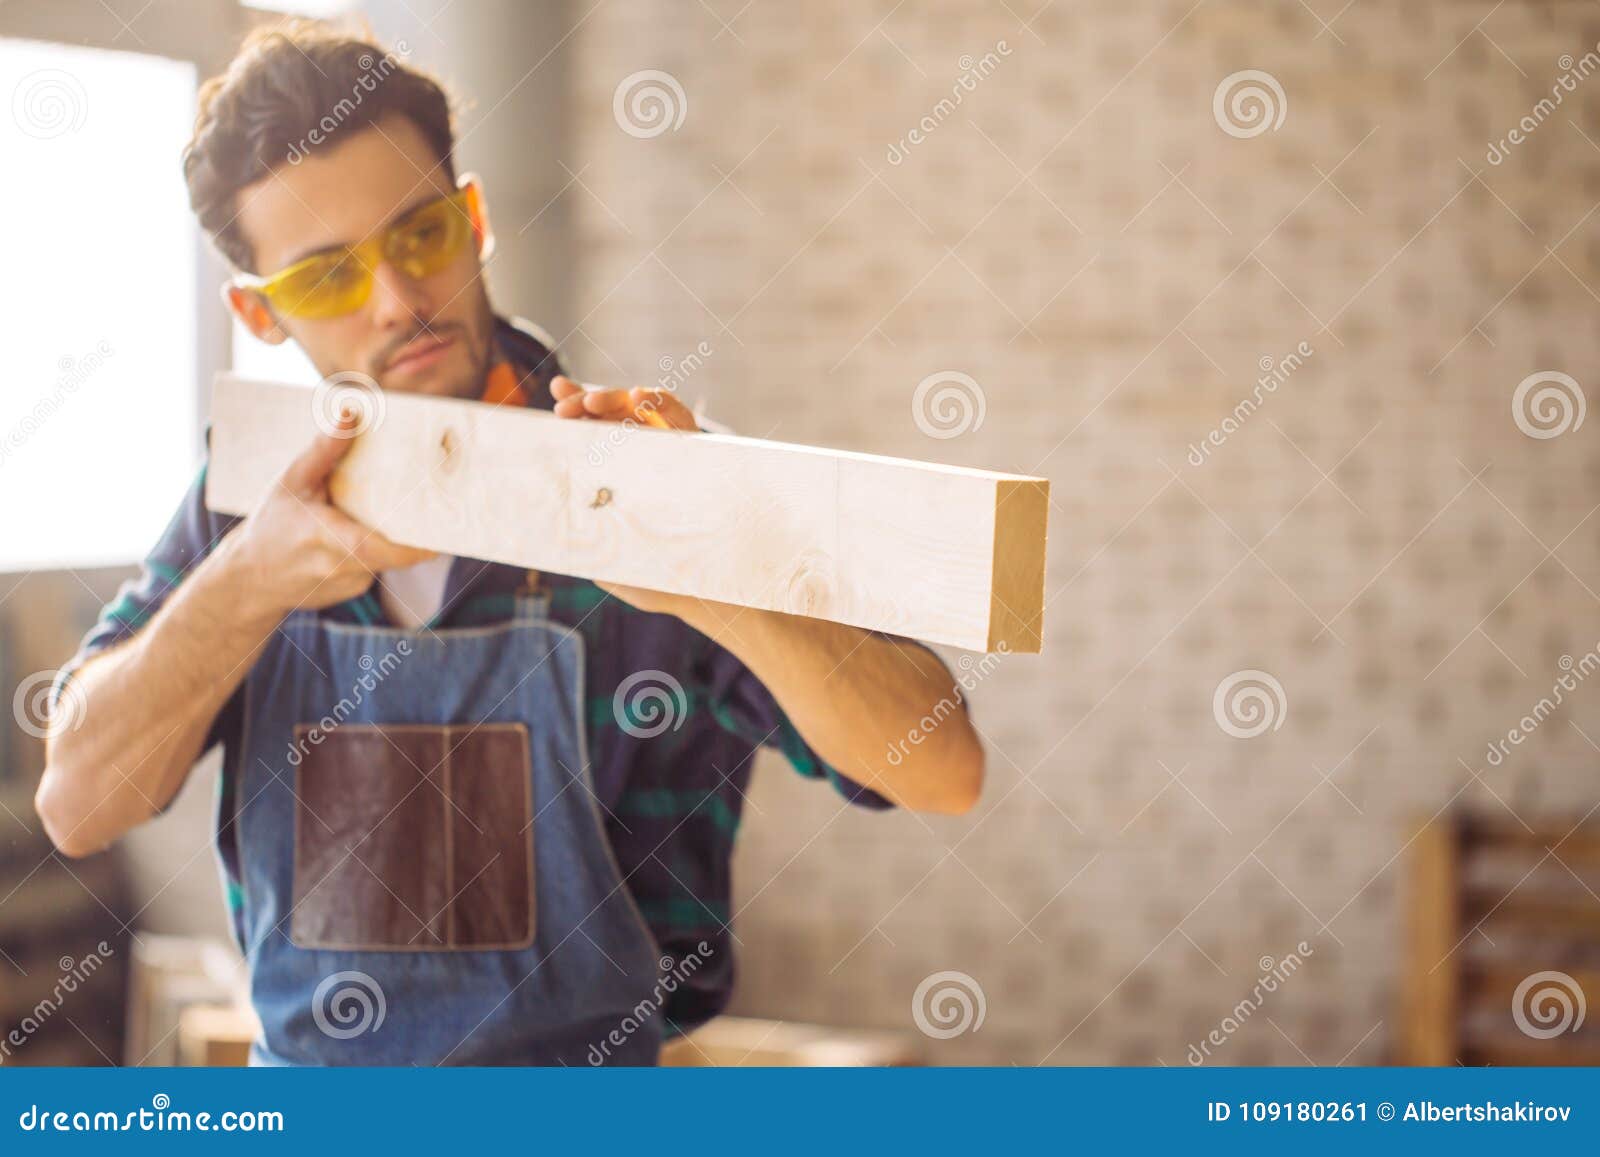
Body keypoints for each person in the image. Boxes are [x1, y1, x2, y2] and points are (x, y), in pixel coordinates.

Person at [36, 20, 984, 1066]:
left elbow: (941, 770)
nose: (398, 301)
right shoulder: (242, 504)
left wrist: (700, 573)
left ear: (475, 219)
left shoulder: (646, 473)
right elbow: (78, 804)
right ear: (259, 315)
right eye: (326, 279)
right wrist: (245, 584)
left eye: (421, 236)